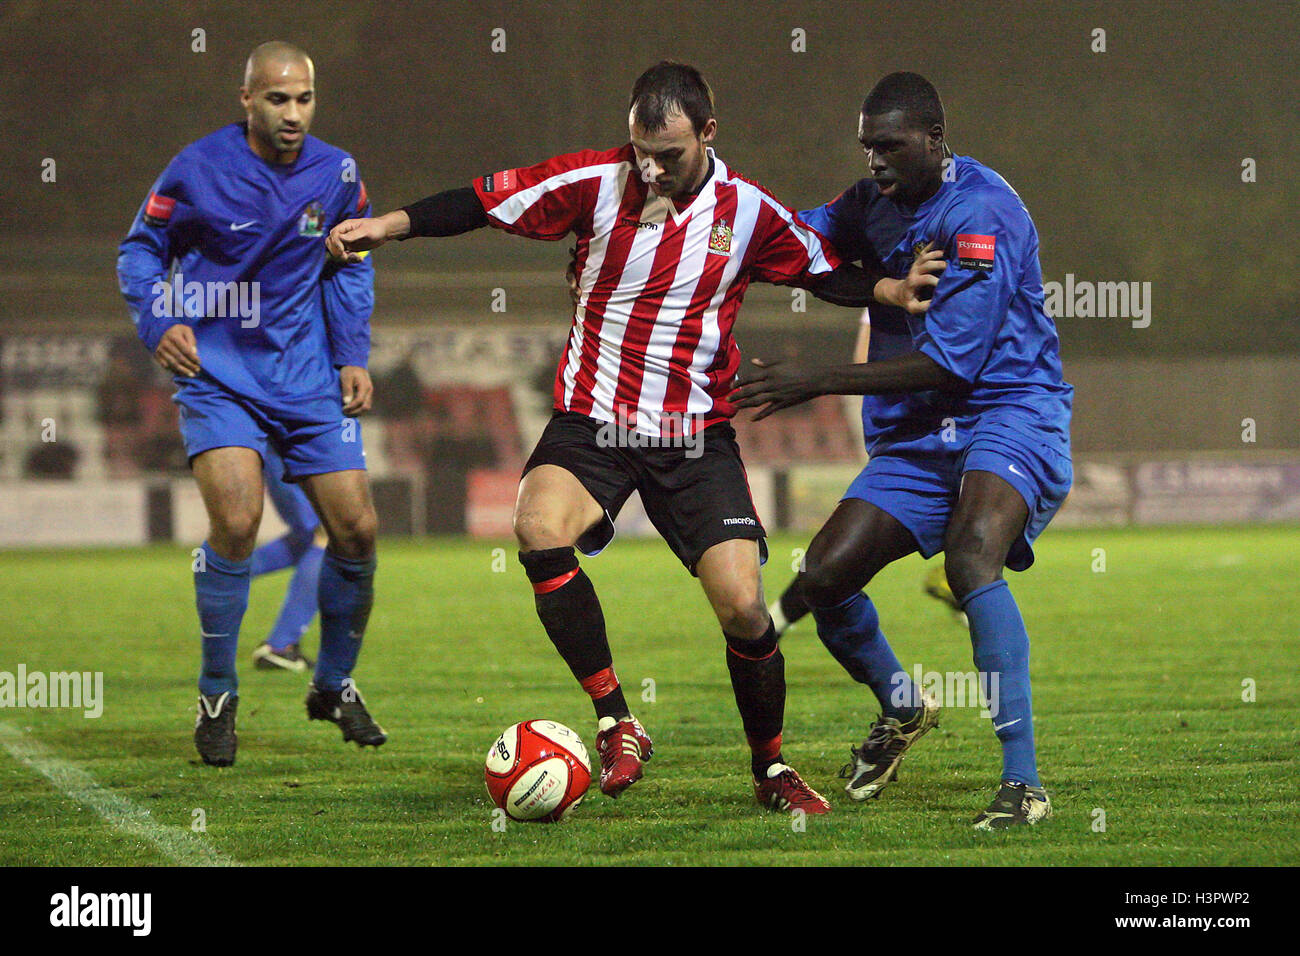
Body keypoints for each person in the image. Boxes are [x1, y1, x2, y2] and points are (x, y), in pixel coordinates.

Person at [328, 61, 935, 814]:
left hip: (695, 435)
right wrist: (386, 227)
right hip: (595, 425)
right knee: (537, 528)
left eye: (669, 155)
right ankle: (618, 720)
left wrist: (887, 289)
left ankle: (771, 770)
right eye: (641, 151)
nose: (651, 169)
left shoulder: (747, 212)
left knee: (745, 610)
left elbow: (821, 272)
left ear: (708, 134)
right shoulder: (594, 182)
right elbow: (483, 201)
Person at [732, 72, 1073, 829]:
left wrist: (817, 377)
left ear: (934, 141)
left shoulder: (979, 213)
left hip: (1008, 409)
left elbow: (953, 363)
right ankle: (903, 709)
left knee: (972, 553)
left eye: (889, 146)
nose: (876, 162)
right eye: (866, 148)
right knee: (823, 577)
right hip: (919, 433)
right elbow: (797, 255)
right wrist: (882, 287)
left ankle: (1025, 784)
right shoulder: (869, 206)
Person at [117, 41, 387, 766]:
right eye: (277, 99)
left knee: (358, 530)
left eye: (303, 99)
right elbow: (140, 249)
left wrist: (351, 352)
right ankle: (216, 691)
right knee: (235, 521)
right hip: (218, 372)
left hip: (305, 379)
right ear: (247, 100)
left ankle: (331, 685)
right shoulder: (197, 167)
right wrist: (157, 317)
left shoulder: (337, 172)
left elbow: (350, 259)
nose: (292, 113)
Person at [249, 447, 327, 673]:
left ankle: (223, 573)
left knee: (310, 538)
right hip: (297, 447)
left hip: (287, 450)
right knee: (329, 537)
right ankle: (280, 647)